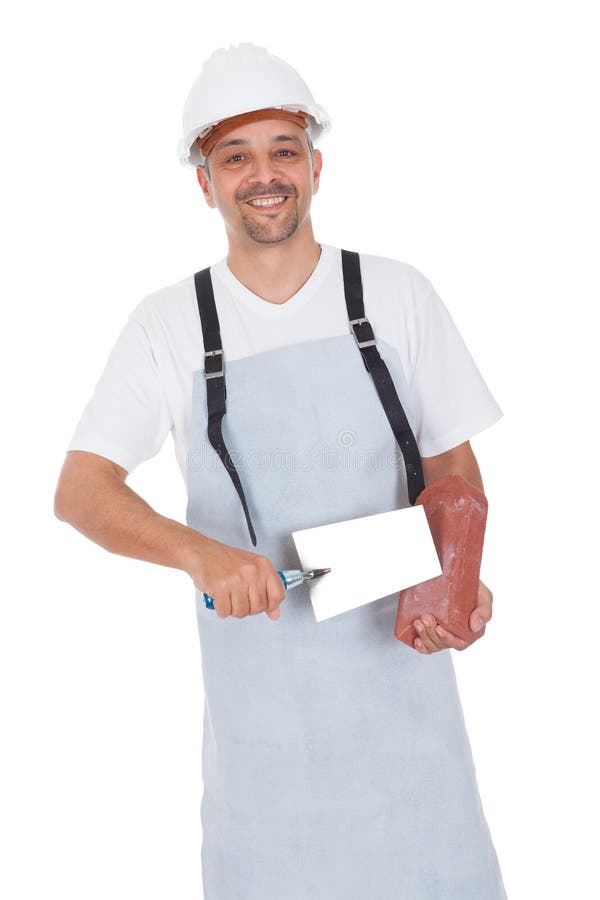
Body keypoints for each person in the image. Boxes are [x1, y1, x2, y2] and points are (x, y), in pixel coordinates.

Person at [54, 42, 508, 900]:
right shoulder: (168, 326)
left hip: (411, 729)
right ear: (205, 181)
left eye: (282, 151)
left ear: (315, 165)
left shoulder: (396, 296)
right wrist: (203, 555)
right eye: (236, 157)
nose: (263, 176)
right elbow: (81, 488)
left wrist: (462, 578)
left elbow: (452, 466)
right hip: (264, 744)